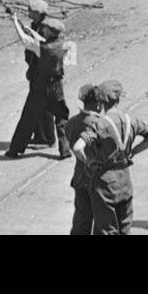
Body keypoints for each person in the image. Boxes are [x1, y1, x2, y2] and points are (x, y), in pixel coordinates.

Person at [73, 79, 148, 235]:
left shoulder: (99, 124)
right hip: (124, 180)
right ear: (118, 99)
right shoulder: (130, 120)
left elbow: (78, 147)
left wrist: (89, 162)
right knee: (124, 227)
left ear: (100, 102)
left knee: (106, 229)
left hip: (104, 182)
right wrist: (134, 151)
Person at [6, 16, 71, 158]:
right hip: (57, 86)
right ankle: (65, 149)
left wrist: (15, 21)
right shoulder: (64, 44)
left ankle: (15, 149)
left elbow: (24, 39)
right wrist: (29, 30)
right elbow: (40, 38)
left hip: (41, 86)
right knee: (61, 116)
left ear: (49, 32)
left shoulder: (41, 48)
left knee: (28, 117)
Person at [15, 0, 57, 147]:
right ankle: (41, 135)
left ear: (38, 14)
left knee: (43, 106)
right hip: (36, 69)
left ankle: (48, 137)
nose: (28, 12)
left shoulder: (45, 29)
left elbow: (34, 43)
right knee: (40, 106)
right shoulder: (37, 25)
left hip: (42, 71)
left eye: (31, 11)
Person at [65, 84, 103, 235]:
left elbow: (69, 140)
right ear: (99, 103)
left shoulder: (73, 121)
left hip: (80, 176)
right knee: (102, 220)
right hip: (98, 178)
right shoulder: (99, 123)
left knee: (81, 219)